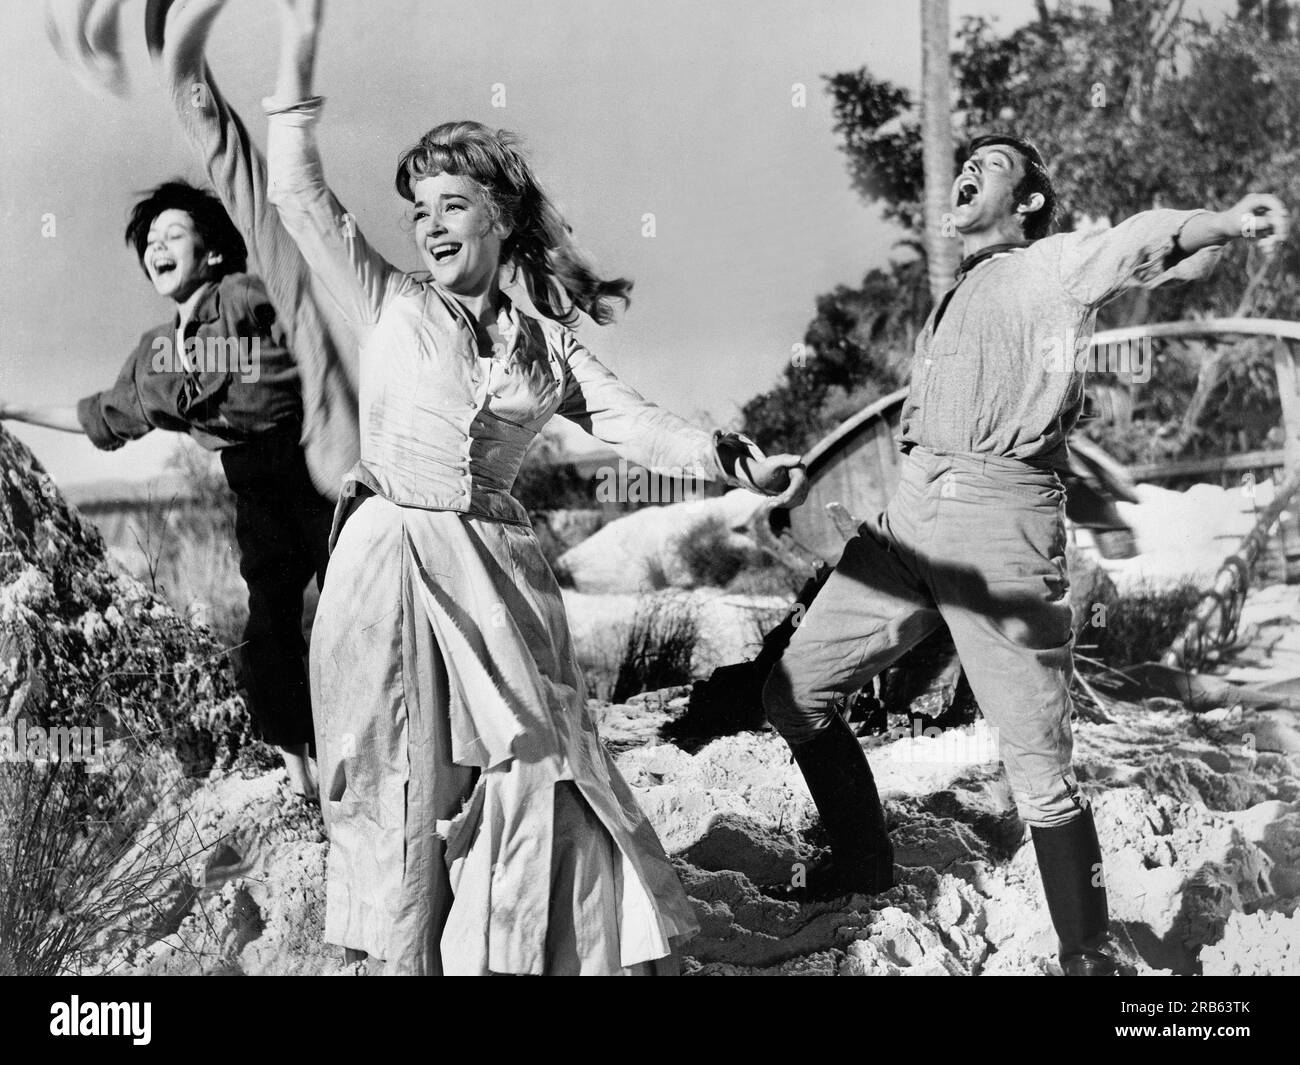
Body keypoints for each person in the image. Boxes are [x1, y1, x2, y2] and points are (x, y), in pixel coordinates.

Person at [263, 0, 809, 975]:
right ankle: (410, 957)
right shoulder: (384, 300)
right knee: (402, 775)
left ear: (502, 218)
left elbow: (637, 423)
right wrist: (298, 46)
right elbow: (298, 195)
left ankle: (539, 950)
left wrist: (734, 458)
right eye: (417, 208)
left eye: (450, 205)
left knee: (535, 770)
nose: (428, 225)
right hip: (386, 567)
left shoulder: (543, 347)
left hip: (495, 578)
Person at [761, 132, 1288, 976]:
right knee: (795, 690)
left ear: (1032, 201)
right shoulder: (958, 291)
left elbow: (1139, 241)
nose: (971, 167)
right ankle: (861, 863)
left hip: (1000, 521)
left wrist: (1221, 222)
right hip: (907, 517)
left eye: (996, 163)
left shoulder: (1050, 265)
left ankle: (1088, 953)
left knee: (1037, 764)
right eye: (968, 161)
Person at [0, 179, 336, 799]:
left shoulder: (242, 295)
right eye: (150, 240)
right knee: (268, 632)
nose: (157, 245)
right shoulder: (155, 355)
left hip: (318, 470)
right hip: (253, 490)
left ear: (212, 254)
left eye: (173, 234)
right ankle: (303, 774)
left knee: (359, 606)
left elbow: (320, 338)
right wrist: (13, 408)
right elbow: (102, 414)